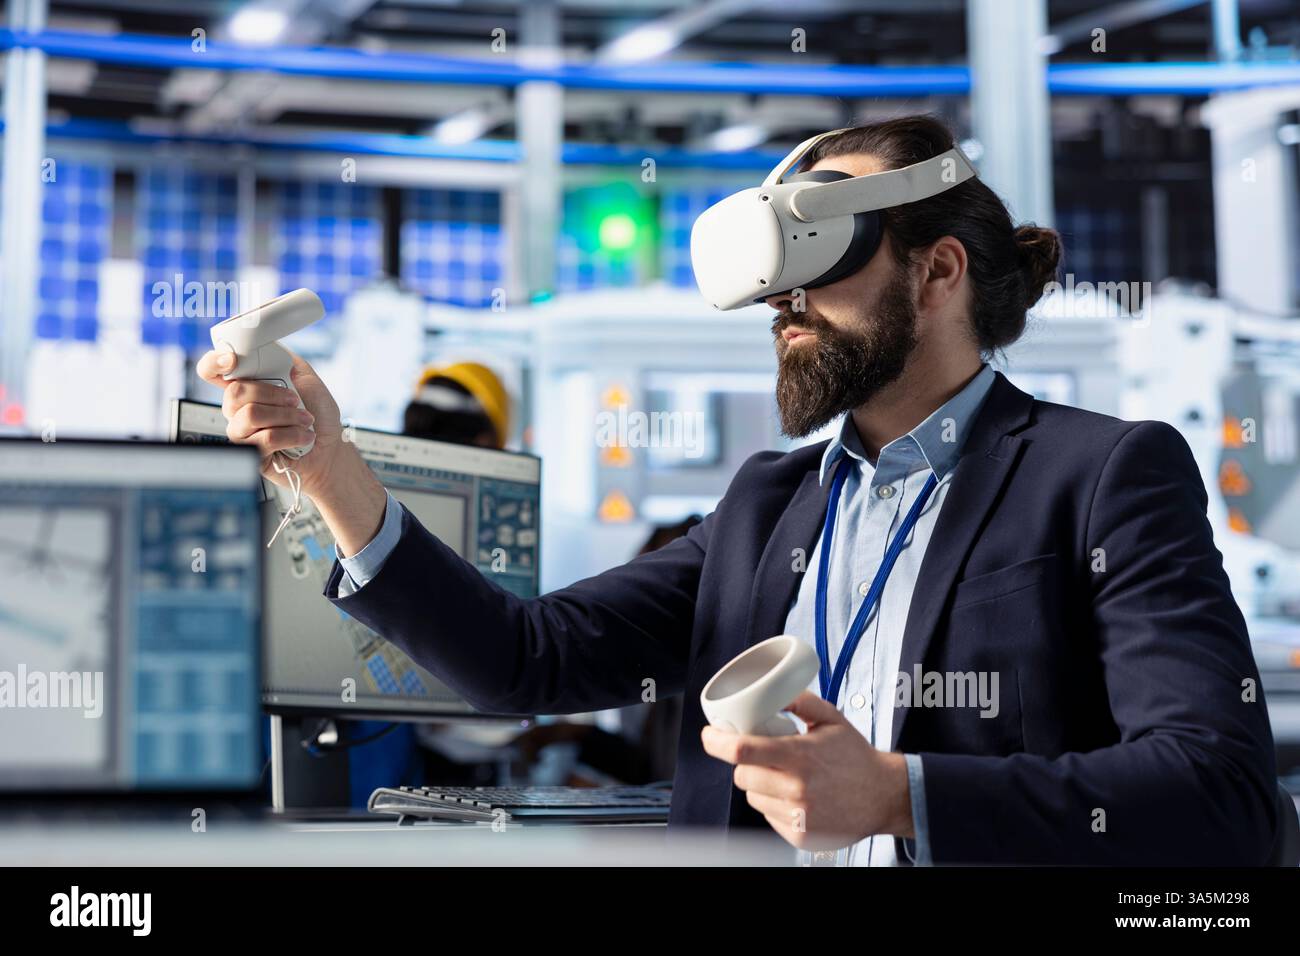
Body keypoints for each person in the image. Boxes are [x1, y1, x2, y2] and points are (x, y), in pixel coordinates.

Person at [198, 115, 1279, 865]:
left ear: (938, 271)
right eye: (776, 269)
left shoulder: (1097, 474)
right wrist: (327, 467)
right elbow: (522, 658)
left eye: (820, 250)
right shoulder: (769, 502)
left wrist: (902, 796)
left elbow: (1218, 794)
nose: (783, 300)